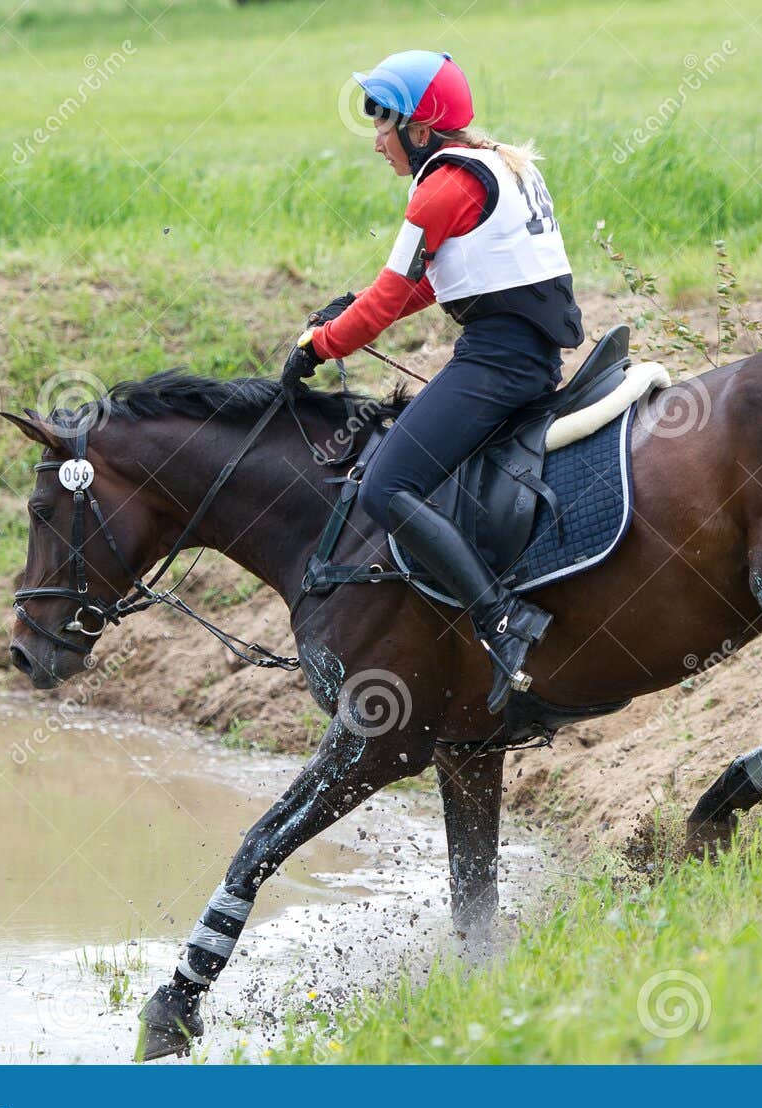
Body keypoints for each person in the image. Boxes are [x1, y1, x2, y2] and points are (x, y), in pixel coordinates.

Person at [281, 50, 584, 714]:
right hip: (524, 355)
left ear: (420, 128)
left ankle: (501, 620)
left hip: (497, 363)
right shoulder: (494, 164)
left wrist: (318, 343)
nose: (378, 143)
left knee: (389, 484)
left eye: (384, 127)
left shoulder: (439, 188)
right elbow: (424, 284)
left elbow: (387, 302)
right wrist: (347, 307)